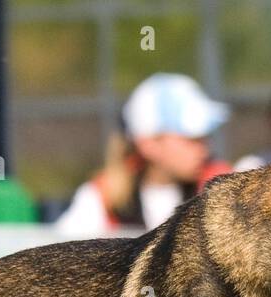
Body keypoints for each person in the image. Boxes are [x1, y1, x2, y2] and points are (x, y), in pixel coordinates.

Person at [56, 73, 234, 236]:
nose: (204, 149)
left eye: (205, 137)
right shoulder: (101, 199)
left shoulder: (222, 188)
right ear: (148, 145)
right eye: (191, 139)